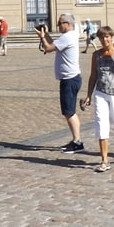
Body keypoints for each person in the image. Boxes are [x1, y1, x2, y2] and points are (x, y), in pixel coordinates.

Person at [82, 26, 114, 172]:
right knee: (101, 124)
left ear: (111, 37)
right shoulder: (97, 55)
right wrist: (89, 95)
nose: (104, 40)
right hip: (101, 93)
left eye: (107, 37)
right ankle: (104, 160)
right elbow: (93, 75)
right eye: (101, 37)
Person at [36, 13, 84, 154]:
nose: (58, 26)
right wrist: (46, 35)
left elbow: (48, 48)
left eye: (60, 23)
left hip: (69, 79)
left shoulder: (67, 37)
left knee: (69, 112)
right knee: (70, 111)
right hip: (72, 77)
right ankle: (76, 140)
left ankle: (77, 142)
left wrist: (42, 37)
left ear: (68, 24)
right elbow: (53, 45)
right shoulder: (71, 35)